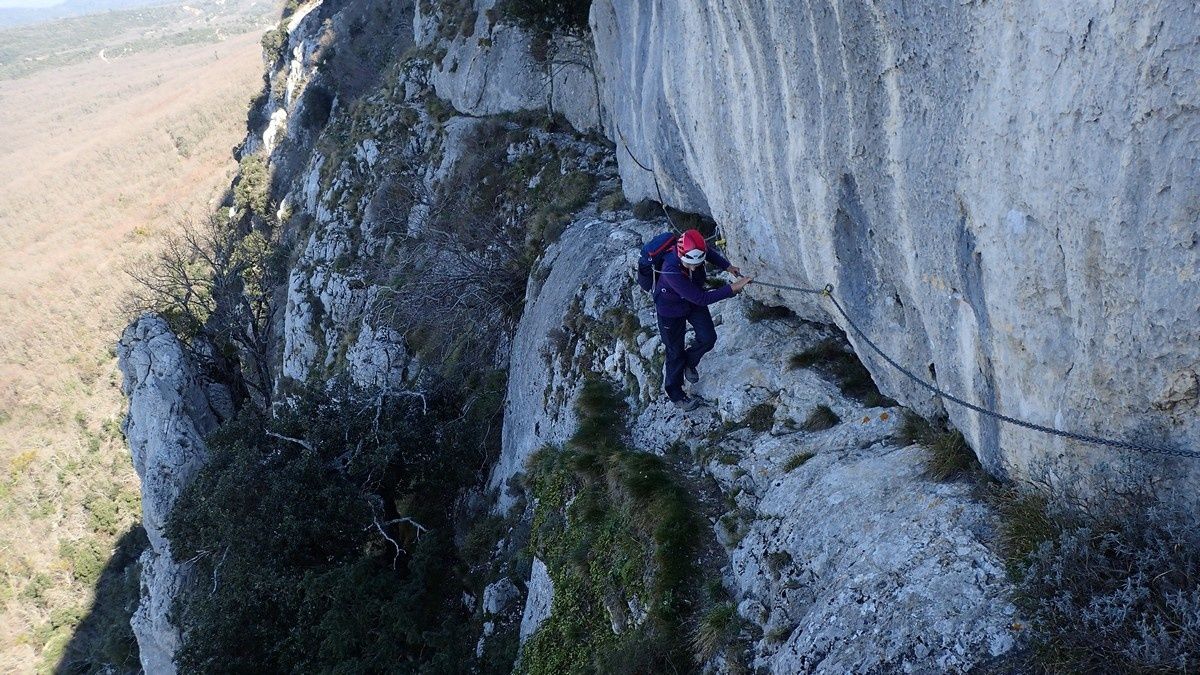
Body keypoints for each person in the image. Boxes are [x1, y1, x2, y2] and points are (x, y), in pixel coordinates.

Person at [653, 228, 752, 410]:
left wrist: (727, 266)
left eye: (697, 264)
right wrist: (733, 288)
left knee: (708, 338)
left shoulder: (697, 250)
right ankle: (676, 395)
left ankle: (689, 362)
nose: (693, 268)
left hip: (691, 301)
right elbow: (702, 298)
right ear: (681, 255)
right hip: (670, 309)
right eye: (690, 264)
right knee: (674, 351)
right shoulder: (670, 270)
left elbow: (709, 253)